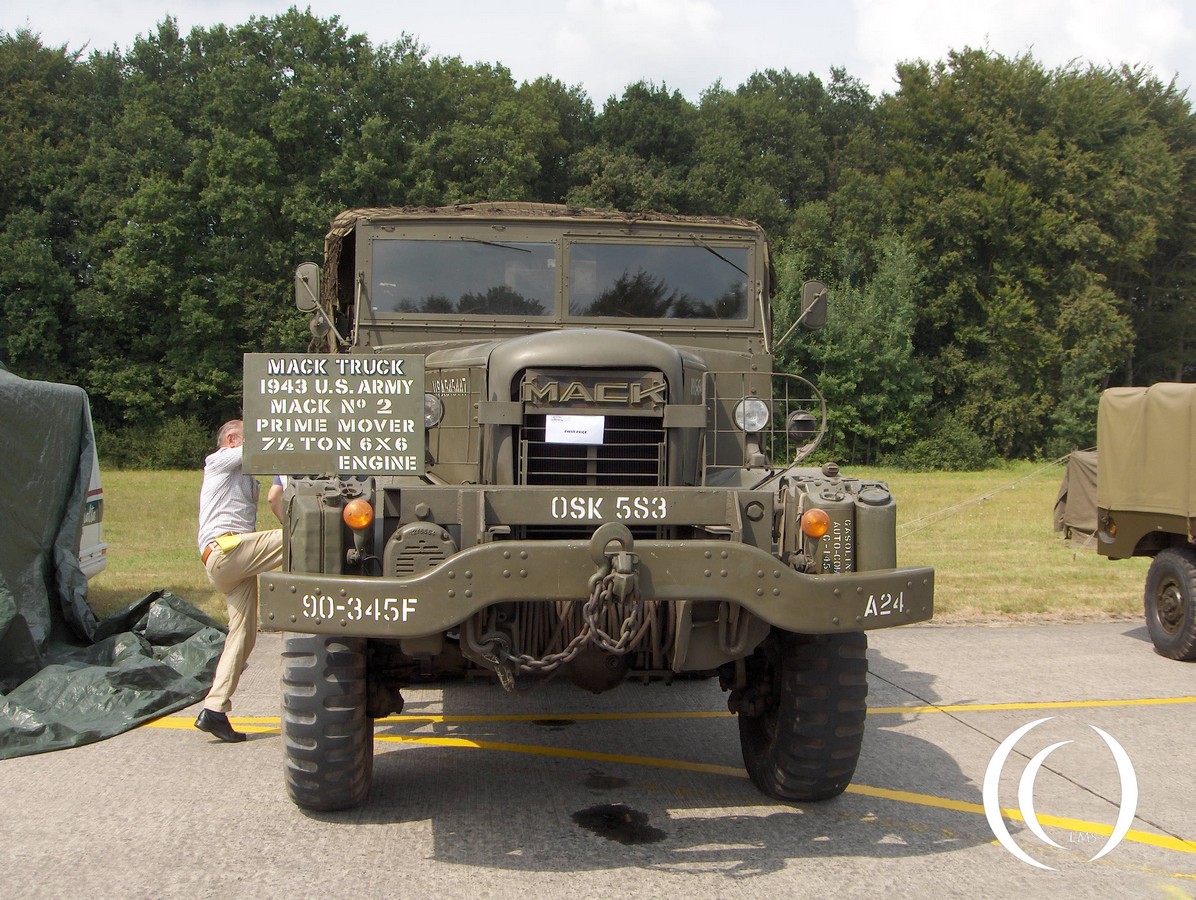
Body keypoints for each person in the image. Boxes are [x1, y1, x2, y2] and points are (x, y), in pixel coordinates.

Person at [195, 419, 282, 742]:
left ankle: (215, 709)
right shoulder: (218, 461)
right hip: (226, 550)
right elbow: (265, 448)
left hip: (230, 560)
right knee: (304, 537)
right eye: (249, 436)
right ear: (232, 439)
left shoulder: (244, 477)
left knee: (243, 635)